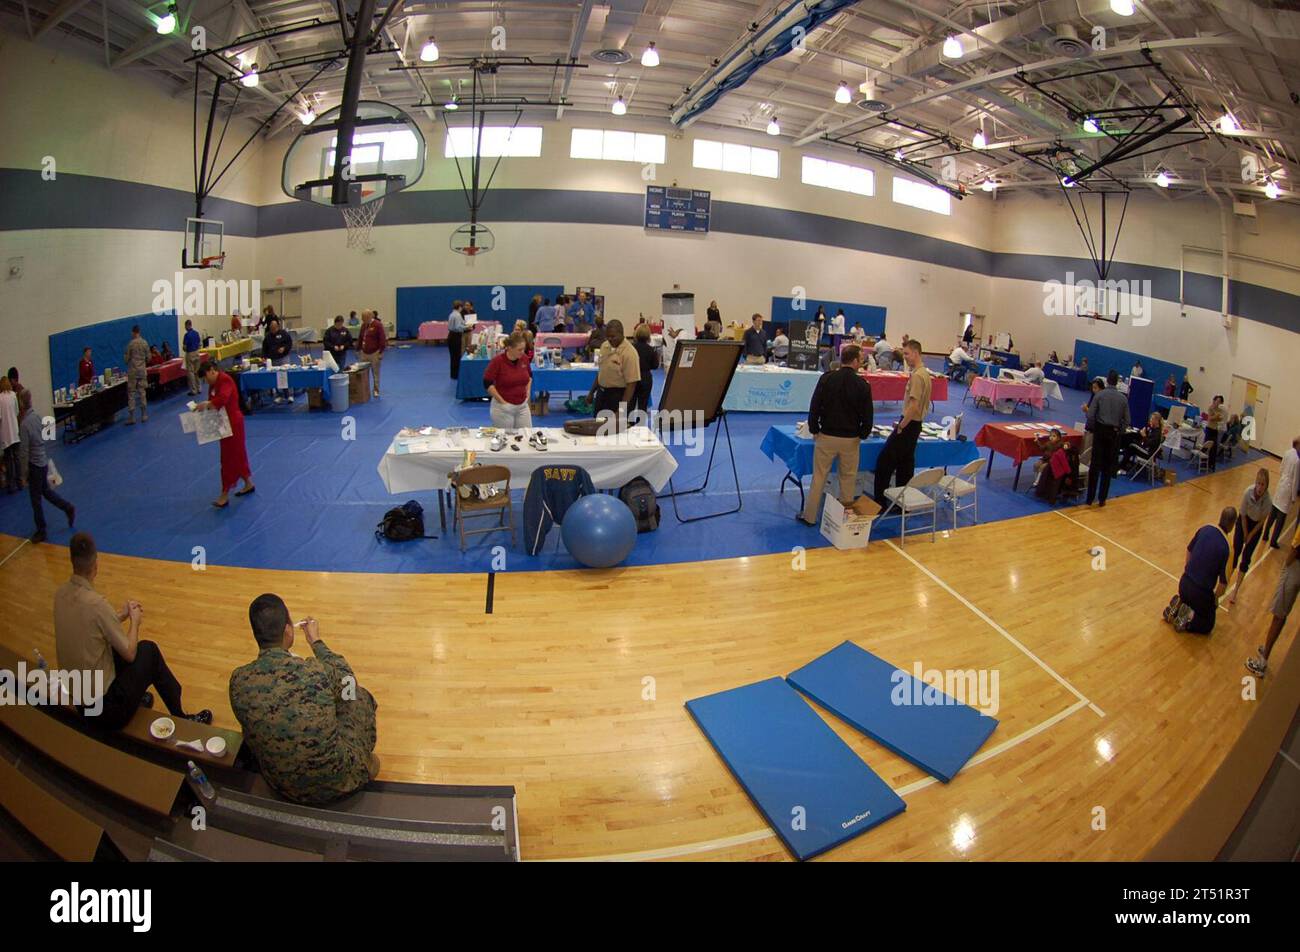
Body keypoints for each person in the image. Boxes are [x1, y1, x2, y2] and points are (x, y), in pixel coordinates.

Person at [229, 594, 378, 806]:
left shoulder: (239, 680)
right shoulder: (314, 671)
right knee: (360, 697)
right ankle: (364, 765)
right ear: (288, 630)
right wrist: (316, 641)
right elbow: (348, 683)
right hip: (337, 781)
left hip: (280, 784)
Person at [54, 533, 212, 730]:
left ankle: (134, 696)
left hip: (80, 701)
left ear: (71, 560)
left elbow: (92, 629)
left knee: (110, 649)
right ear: (96, 564)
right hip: (104, 711)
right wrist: (135, 622)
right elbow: (129, 654)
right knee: (149, 651)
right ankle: (181, 717)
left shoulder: (60, 595)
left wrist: (121, 615)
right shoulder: (96, 605)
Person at [799, 345, 873, 526]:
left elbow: (814, 406)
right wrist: (862, 434)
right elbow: (868, 415)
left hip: (827, 436)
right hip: (850, 439)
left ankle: (809, 516)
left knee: (819, 477)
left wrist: (814, 429)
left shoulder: (826, 379)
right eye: (860, 358)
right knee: (848, 480)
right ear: (855, 361)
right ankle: (845, 520)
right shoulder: (863, 385)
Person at [874, 339, 930, 507]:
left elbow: (913, 407)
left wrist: (901, 426)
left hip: (909, 425)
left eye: (906, 354)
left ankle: (880, 502)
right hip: (915, 425)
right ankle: (900, 503)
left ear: (916, 353)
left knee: (884, 462)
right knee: (905, 464)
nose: (904, 357)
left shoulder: (918, 376)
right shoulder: (925, 373)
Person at [1163, 507, 1234, 634]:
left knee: (1191, 599)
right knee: (1208, 623)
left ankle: (1180, 603)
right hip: (1201, 592)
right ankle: (1188, 617)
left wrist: (1189, 571)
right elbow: (1222, 585)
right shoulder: (1227, 548)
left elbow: (1189, 551)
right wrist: (1215, 600)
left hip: (1184, 583)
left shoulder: (1205, 528)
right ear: (1232, 525)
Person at [194, 360, 254, 508]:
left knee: (228, 459)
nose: (206, 381)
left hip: (232, 423)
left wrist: (207, 405)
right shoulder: (214, 384)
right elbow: (214, 400)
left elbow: (222, 399)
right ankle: (248, 483)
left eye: (206, 377)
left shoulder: (225, 380)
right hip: (224, 422)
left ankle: (224, 493)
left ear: (212, 370)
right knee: (238, 455)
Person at [1246, 520, 1300, 679]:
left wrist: (1287, 563)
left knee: (1279, 614)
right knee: (1282, 614)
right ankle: (1267, 650)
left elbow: (1295, 547)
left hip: (1295, 566)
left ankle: (1262, 662)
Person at [19, 389, 75, 542]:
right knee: (46, 492)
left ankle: (41, 530)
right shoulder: (37, 417)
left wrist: (23, 474)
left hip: (34, 465)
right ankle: (67, 507)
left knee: (35, 499)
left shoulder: (24, 425)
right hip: (42, 461)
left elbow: (23, 451)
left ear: (21, 403)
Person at [1226, 469, 1272, 606]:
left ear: (1266, 486)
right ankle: (1226, 580)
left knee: (1246, 558)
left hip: (1256, 527)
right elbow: (1243, 515)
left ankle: (1236, 590)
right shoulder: (1248, 492)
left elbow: (1262, 522)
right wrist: (1245, 533)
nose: (1259, 487)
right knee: (1236, 552)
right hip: (1243, 522)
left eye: (1263, 484)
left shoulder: (1268, 501)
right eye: (1258, 483)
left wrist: (1251, 535)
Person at [1085, 370, 1130, 507]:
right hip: (1113, 434)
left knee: (1095, 466)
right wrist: (1118, 431)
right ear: (1117, 382)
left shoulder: (1100, 395)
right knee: (1107, 467)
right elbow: (1127, 420)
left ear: (1107, 381)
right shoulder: (1123, 399)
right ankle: (1102, 499)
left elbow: (1090, 415)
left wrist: (1094, 428)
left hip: (1100, 431)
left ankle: (1089, 498)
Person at [590, 319, 640, 422]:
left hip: (618, 396)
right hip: (602, 395)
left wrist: (620, 410)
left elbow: (631, 384)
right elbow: (601, 372)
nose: (610, 339)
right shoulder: (604, 346)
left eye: (613, 336)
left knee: (615, 433)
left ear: (621, 334)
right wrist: (591, 392)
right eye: (607, 336)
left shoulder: (630, 353)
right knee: (598, 428)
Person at [484, 332, 533, 430]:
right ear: (509, 348)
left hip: (522, 405)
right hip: (503, 408)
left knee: (526, 435)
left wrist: (527, 392)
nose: (522, 352)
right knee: (505, 438)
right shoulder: (497, 361)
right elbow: (487, 384)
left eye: (524, 349)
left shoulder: (524, 359)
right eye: (519, 350)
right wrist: (502, 402)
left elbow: (529, 377)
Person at [1263, 436, 1299, 548]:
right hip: (1288, 489)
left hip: (1281, 484)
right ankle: (1273, 541)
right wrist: (1293, 497)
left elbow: (1281, 468)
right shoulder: (1297, 460)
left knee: (1273, 512)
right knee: (1281, 517)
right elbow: (1295, 480)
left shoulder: (1287, 452)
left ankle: (1265, 534)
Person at [261, 317, 294, 404]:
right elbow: (264, 348)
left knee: (286, 376)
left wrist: (284, 348)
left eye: (274, 328)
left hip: (283, 358)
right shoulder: (267, 337)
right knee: (277, 378)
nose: (273, 330)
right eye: (271, 328)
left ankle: (290, 395)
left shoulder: (284, 334)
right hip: (273, 359)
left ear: (278, 327)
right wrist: (264, 356)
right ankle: (280, 395)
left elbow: (289, 343)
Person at [630, 324, 659, 418]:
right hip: (646, 377)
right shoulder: (651, 350)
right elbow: (655, 366)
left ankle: (628, 424)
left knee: (630, 402)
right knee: (643, 404)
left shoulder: (631, 348)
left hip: (632, 376)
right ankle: (640, 426)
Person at [123, 324, 150, 424]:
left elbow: (126, 359)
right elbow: (149, 358)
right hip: (142, 371)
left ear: (133, 332)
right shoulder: (145, 343)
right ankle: (144, 415)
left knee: (131, 393)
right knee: (142, 392)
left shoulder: (130, 344)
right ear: (139, 332)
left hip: (133, 371)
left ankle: (132, 417)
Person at [359, 309, 387, 397]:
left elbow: (382, 339)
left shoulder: (378, 325)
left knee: (375, 373)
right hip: (364, 352)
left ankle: (376, 390)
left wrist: (381, 352)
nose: (363, 320)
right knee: (363, 373)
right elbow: (360, 337)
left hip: (375, 353)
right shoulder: (363, 325)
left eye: (364, 318)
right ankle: (365, 390)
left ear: (370, 316)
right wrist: (358, 349)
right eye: (362, 318)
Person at [0, 377, 18, 493]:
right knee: (16, 458)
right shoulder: (13, 395)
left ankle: (11, 485)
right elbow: (17, 412)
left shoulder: (0, 398)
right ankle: (20, 481)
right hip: (15, 431)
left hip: (5, 433)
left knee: (8, 459)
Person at [1201, 395, 1225, 473]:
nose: (1218, 403)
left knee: (1214, 447)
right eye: (1217, 401)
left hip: (1215, 429)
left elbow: (1220, 419)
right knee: (1206, 445)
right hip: (1209, 429)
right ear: (1214, 401)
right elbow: (1210, 418)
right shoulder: (1211, 408)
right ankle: (1202, 463)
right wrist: (1216, 417)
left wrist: (1216, 417)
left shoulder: (1220, 410)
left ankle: (1211, 464)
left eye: (1220, 401)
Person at [446, 300, 466, 380]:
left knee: (453, 356)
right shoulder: (457, 315)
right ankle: (456, 374)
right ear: (460, 307)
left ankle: (453, 374)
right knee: (457, 356)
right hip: (455, 336)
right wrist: (466, 327)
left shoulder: (452, 314)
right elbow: (458, 327)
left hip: (451, 335)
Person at [183, 319, 203, 395]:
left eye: (185, 326)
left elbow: (184, 347)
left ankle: (193, 390)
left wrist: (185, 349)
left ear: (187, 325)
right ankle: (199, 388)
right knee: (196, 371)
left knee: (190, 372)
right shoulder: (196, 333)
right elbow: (199, 344)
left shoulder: (187, 335)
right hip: (197, 353)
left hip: (190, 353)